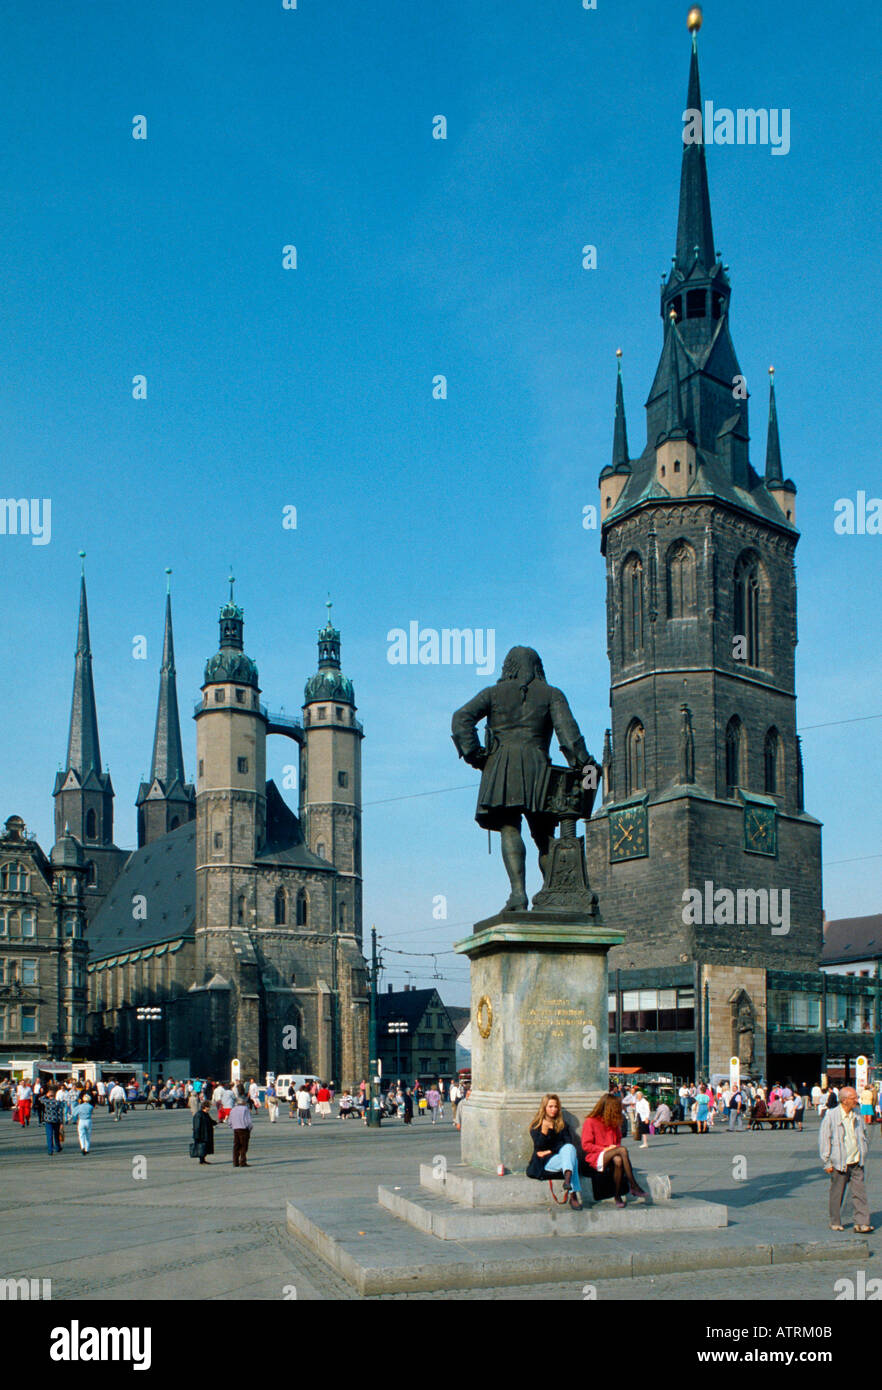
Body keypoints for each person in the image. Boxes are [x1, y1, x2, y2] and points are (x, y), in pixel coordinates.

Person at [451, 645, 598, 912]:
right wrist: (584, 764)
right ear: (538, 667)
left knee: (510, 827)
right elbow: (569, 736)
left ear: (509, 667)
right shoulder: (552, 694)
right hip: (539, 767)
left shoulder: (494, 693)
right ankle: (556, 895)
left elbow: (461, 718)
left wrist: (477, 755)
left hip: (502, 766)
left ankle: (518, 894)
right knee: (544, 835)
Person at [820, 1085, 874, 1234]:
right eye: (853, 1098)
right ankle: (835, 1221)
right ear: (844, 1101)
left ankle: (862, 1223)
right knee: (837, 1193)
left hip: (857, 1160)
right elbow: (825, 1139)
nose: (856, 1100)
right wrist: (827, 1161)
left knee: (860, 1193)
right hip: (840, 1162)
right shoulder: (831, 1115)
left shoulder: (857, 1113)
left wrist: (864, 1148)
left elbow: (863, 1132)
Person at [582, 1094, 647, 1207]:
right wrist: (605, 1148)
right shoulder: (591, 1121)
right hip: (596, 1157)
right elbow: (586, 1145)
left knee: (618, 1160)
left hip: (612, 1154)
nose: (619, 1110)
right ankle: (633, 1185)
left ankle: (617, 1195)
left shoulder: (613, 1123)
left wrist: (612, 1148)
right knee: (622, 1150)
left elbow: (617, 1142)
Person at [526, 1093, 583, 1210]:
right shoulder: (536, 1125)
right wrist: (544, 1130)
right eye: (550, 1106)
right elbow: (539, 1147)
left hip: (561, 1159)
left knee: (570, 1149)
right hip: (545, 1163)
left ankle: (568, 1180)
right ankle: (573, 1195)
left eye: (556, 1106)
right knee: (574, 1161)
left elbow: (567, 1143)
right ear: (544, 1108)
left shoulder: (563, 1125)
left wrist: (550, 1150)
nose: (554, 1109)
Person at [227, 1095, 253, 1167]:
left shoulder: (233, 1109)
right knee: (244, 1146)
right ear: (243, 1102)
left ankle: (235, 1162)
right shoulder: (245, 1109)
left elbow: (229, 1121)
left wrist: (232, 1126)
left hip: (236, 1129)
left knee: (236, 1146)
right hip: (244, 1129)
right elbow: (248, 1120)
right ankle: (243, 1161)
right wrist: (250, 1127)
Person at [192, 1100, 216, 1165]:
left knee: (205, 1147)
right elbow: (197, 1126)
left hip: (206, 1134)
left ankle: (203, 1159)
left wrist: (216, 1122)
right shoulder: (199, 1114)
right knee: (202, 1147)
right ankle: (201, 1160)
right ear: (205, 1107)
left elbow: (210, 1121)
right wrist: (196, 1136)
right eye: (208, 1107)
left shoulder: (206, 1114)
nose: (209, 1108)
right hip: (201, 1134)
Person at [43, 1086, 64, 1157]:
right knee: (56, 1134)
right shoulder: (57, 1102)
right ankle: (57, 1147)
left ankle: (50, 1150)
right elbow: (60, 1112)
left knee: (49, 1135)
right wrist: (61, 1122)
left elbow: (40, 1099)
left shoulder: (46, 1101)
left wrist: (46, 1095)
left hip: (48, 1120)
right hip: (56, 1120)